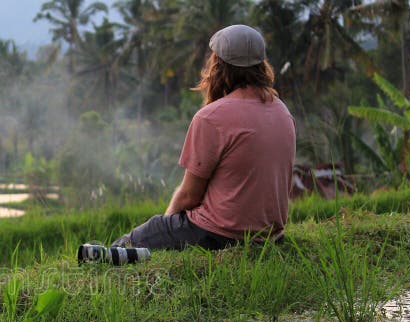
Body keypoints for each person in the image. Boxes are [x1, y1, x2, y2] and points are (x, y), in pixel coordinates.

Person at [112, 25, 296, 250]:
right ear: (261, 65)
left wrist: (167, 224)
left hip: (220, 235)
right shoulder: (282, 111)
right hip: (272, 235)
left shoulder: (211, 117)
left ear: (218, 65)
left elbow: (189, 196)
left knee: (134, 239)